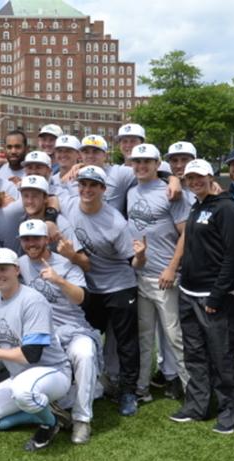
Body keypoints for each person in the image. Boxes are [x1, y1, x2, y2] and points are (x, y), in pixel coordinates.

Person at [0, 247, 73, 452]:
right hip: (19, 376)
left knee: (24, 391)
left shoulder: (32, 300)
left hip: (53, 372)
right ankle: (44, 414)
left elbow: (31, 354)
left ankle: (49, 424)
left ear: (16, 270)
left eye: (3, 269)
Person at [59, 165, 147, 415]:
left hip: (119, 285)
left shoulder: (116, 223)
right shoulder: (70, 204)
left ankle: (128, 391)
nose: (87, 190)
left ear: (103, 190)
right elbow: (54, 198)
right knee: (84, 336)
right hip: (89, 286)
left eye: (93, 186)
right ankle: (85, 383)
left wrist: (142, 256)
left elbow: (134, 262)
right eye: (83, 184)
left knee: (125, 342)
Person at [169, 159, 234, 433]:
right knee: (195, 354)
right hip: (188, 292)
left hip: (212, 296)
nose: (195, 182)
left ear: (211, 176)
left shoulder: (226, 208)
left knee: (222, 357)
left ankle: (229, 414)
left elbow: (231, 255)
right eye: (190, 178)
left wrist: (217, 295)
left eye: (199, 177)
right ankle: (197, 406)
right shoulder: (197, 205)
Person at [17, 219, 100, 444]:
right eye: (26, 239)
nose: (31, 243)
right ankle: (53, 411)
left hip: (72, 328)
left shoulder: (66, 264)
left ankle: (82, 420)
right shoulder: (20, 264)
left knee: (85, 353)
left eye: (36, 238)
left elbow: (81, 298)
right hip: (41, 332)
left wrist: (58, 280)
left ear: (46, 239)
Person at [126, 144, 190, 401]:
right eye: (136, 161)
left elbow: (186, 233)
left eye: (147, 161)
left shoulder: (171, 193)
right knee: (144, 337)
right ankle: (142, 388)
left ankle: (191, 389)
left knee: (175, 337)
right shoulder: (131, 191)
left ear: (156, 164)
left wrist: (172, 268)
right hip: (140, 274)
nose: (141, 166)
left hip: (165, 276)